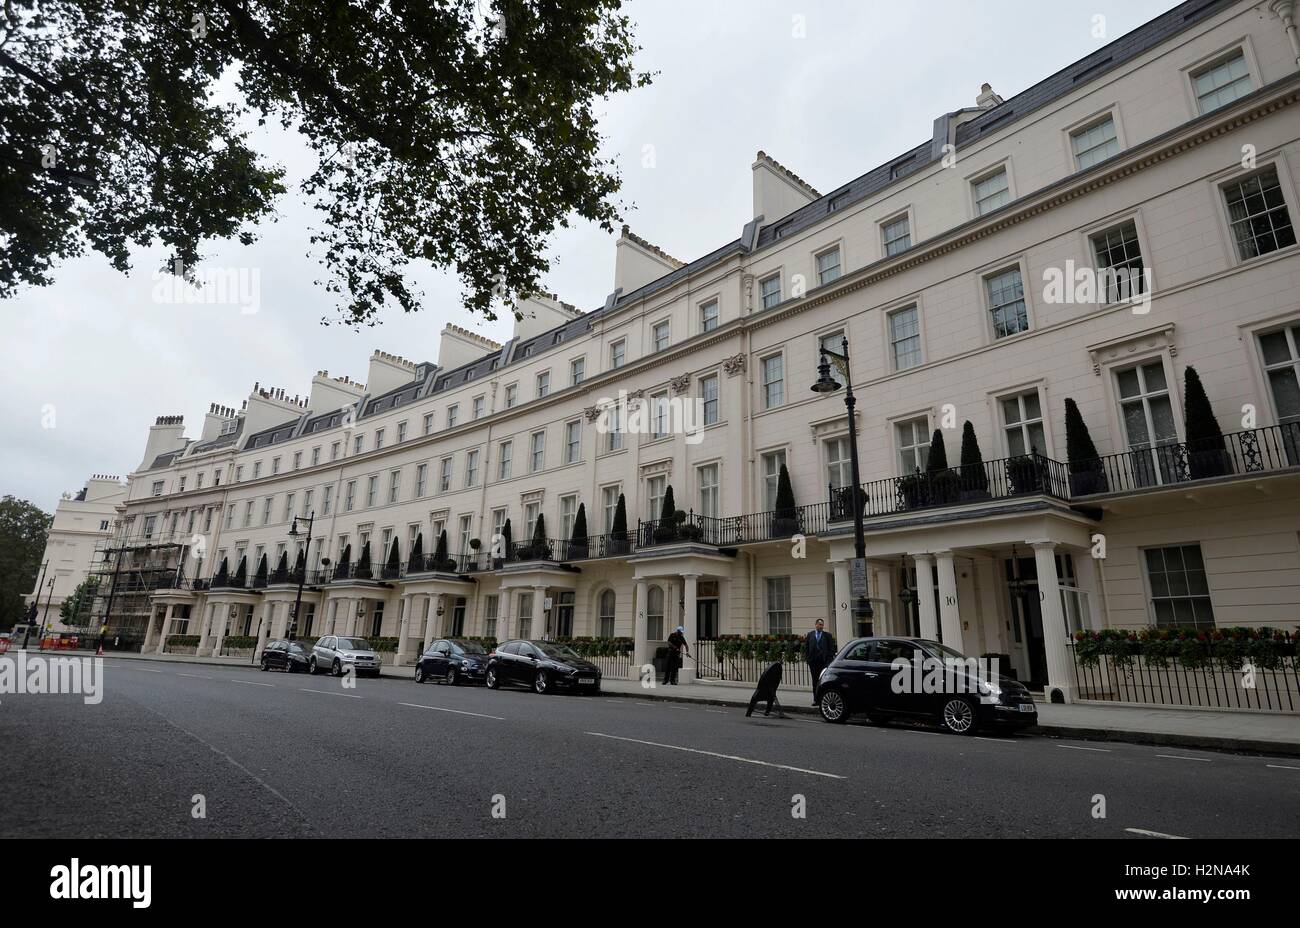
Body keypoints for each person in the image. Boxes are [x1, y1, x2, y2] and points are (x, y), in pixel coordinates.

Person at [802, 618, 837, 705]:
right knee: (815, 681)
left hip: (824, 662)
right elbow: (806, 648)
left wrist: (828, 661)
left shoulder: (827, 635)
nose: (821, 626)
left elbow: (832, 649)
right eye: (820, 624)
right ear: (816, 625)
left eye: (822, 625)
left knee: (823, 681)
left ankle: (822, 700)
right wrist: (808, 659)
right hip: (813, 662)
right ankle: (815, 700)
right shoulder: (810, 635)